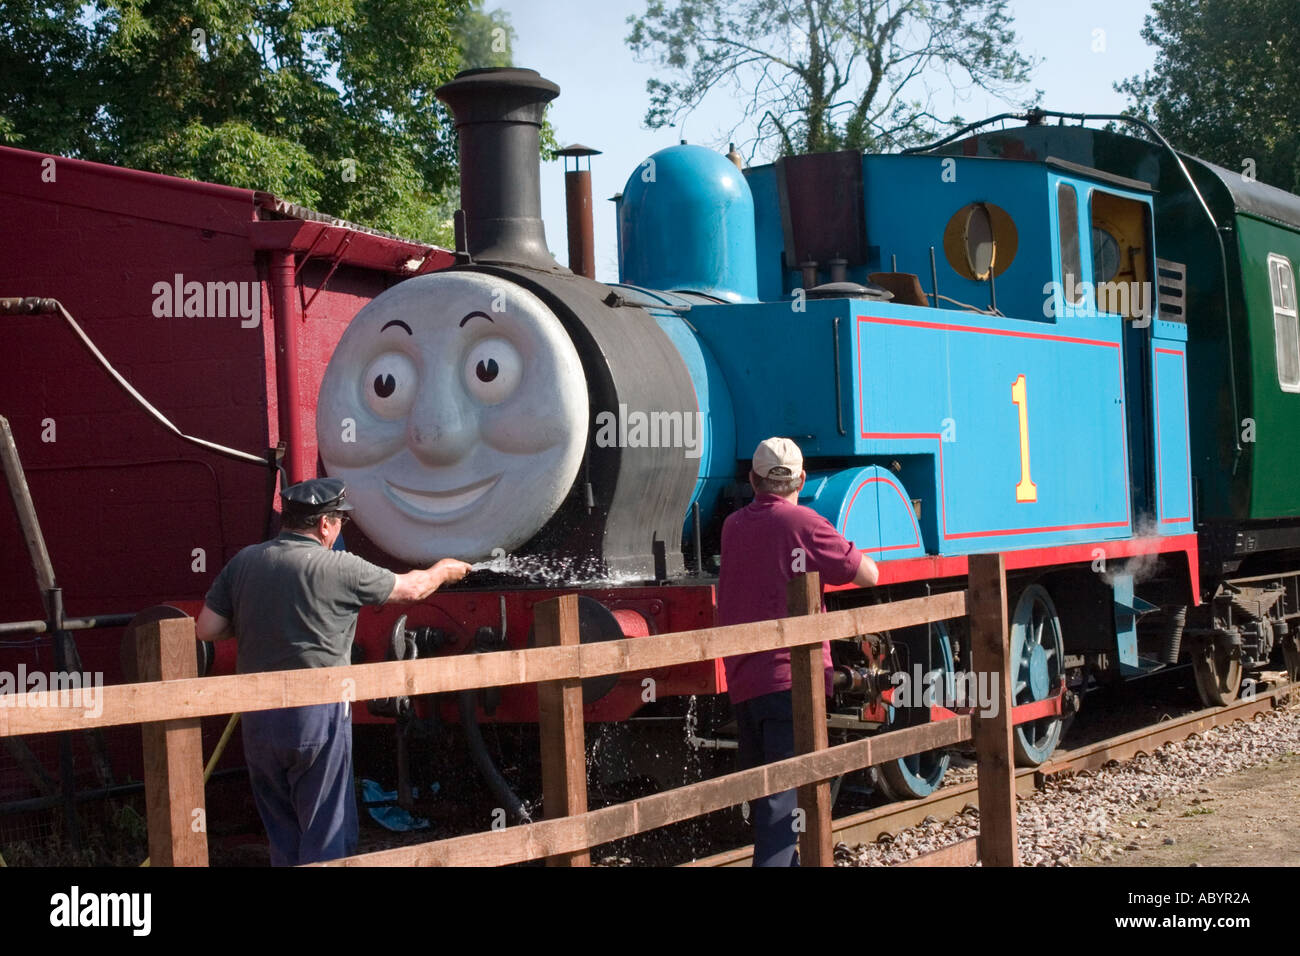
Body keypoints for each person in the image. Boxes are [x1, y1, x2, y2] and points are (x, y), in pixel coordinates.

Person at [195, 477, 471, 866]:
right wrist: (443, 569)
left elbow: (206, 628)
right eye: (341, 520)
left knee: (282, 832)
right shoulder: (341, 567)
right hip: (315, 715)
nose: (341, 528)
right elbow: (413, 589)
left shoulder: (244, 562)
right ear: (325, 524)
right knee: (326, 829)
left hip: (257, 719)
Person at [717, 438, 879, 866]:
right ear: (803, 479)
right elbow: (868, 575)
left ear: (752, 479)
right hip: (792, 679)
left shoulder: (732, 526)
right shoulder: (804, 522)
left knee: (768, 798)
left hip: (744, 678)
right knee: (784, 807)